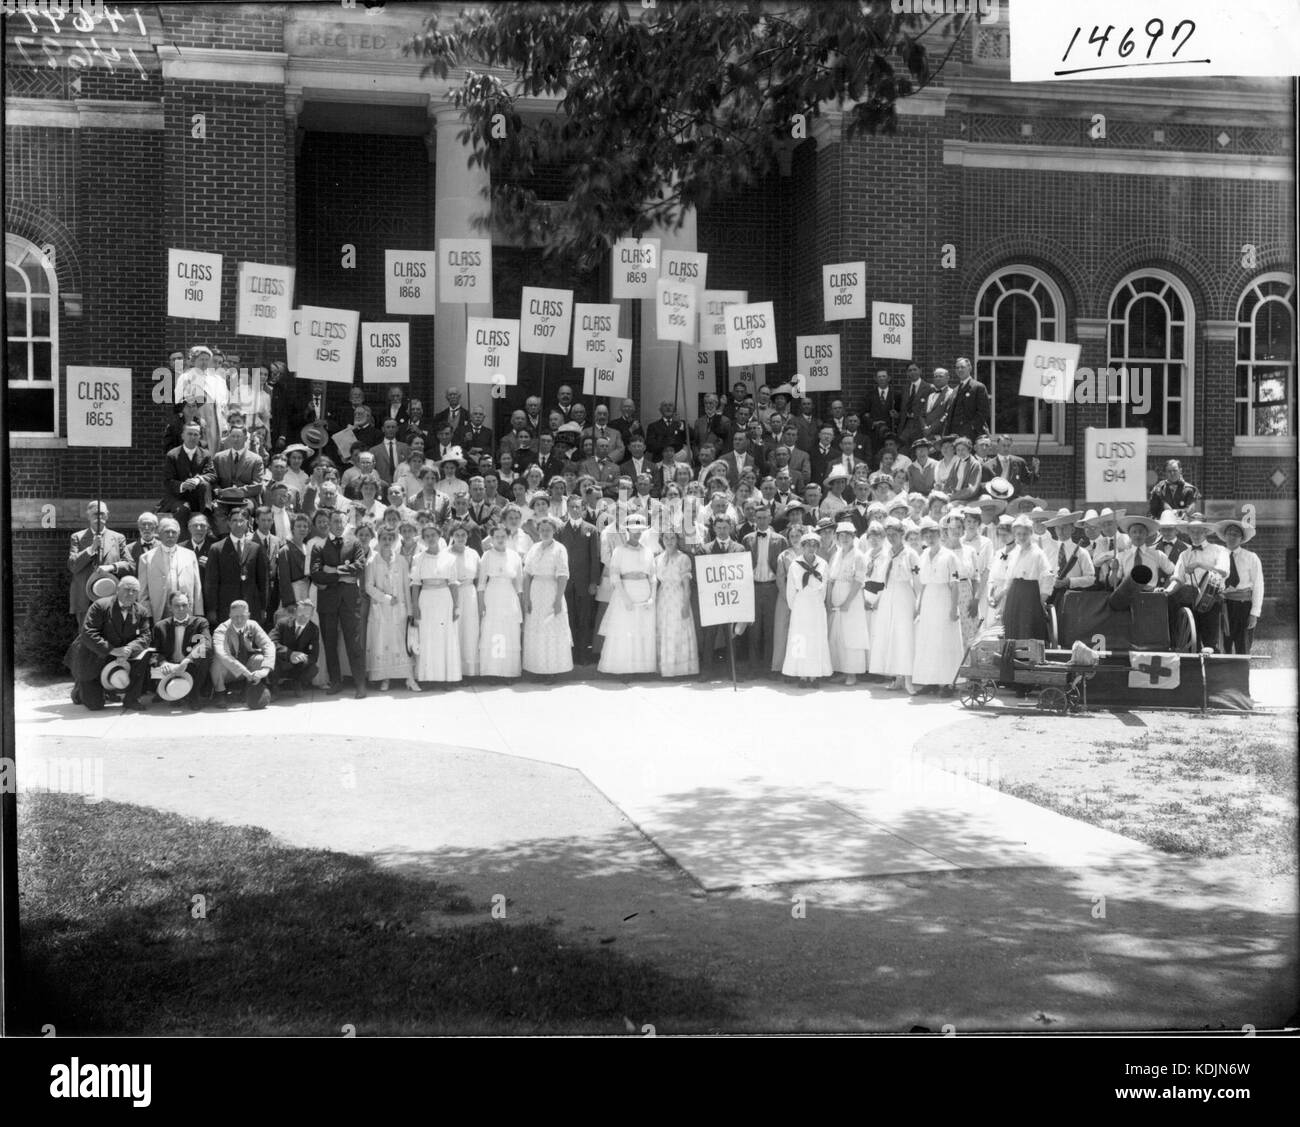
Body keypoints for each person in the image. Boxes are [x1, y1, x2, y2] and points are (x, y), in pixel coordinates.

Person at [67, 575, 154, 710]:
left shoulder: (141, 611)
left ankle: (131, 699)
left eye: (134, 591)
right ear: (118, 589)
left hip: (122, 655)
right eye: (127, 589)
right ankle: (79, 688)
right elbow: (88, 633)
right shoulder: (100, 606)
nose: (130, 594)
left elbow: (145, 636)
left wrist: (129, 649)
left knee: (144, 656)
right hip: (94, 655)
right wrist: (112, 650)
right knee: (94, 705)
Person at [312, 509, 369, 697]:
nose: (337, 524)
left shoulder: (355, 544)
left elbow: (360, 566)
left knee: (354, 642)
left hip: (349, 601)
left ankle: (360, 683)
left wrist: (333, 570)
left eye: (340, 521)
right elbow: (316, 574)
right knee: (329, 642)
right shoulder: (319, 547)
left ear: (345, 523)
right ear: (329, 523)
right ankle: (335, 681)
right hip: (328, 602)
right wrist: (342, 574)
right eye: (334, 521)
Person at [598, 511, 657, 675]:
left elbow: (653, 576)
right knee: (625, 630)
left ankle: (642, 668)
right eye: (633, 530)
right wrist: (625, 598)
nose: (637, 533)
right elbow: (615, 576)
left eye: (640, 530)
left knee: (642, 630)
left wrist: (652, 597)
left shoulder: (648, 551)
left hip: (644, 594)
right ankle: (624, 669)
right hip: (626, 594)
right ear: (628, 531)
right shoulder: (619, 551)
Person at [868, 517, 921, 692]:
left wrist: (918, 604)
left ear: (902, 534)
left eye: (894, 535)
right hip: (888, 596)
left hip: (904, 596)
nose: (891, 538)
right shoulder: (886, 553)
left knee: (904, 636)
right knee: (891, 636)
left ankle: (908, 679)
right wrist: (876, 599)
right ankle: (897, 677)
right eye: (888, 535)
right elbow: (881, 579)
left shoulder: (911, 554)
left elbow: (917, 581)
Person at [364, 527, 420, 692]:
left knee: (401, 643)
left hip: (400, 610)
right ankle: (385, 678)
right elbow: (368, 586)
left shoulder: (401, 561)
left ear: (394, 540)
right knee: (383, 641)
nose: (387, 542)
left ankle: (409, 678)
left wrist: (409, 611)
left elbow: (405, 587)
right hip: (381, 609)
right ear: (379, 540)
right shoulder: (372, 561)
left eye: (390, 539)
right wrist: (386, 598)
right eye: (384, 539)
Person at [912, 517, 963, 693]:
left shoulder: (950, 556)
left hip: (944, 600)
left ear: (940, 534)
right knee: (928, 641)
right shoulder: (924, 555)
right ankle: (930, 681)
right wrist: (919, 607)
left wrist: (954, 608)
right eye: (927, 535)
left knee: (944, 641)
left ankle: (949, 683)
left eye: (933, 534)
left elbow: (955, 584)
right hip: (928, 602)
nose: (930, 538)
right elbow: (923, 584)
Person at [522, 514, 574, 678]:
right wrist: (526, 598)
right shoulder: (533, 548)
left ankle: (552, 671)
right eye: (542, 530)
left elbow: (563, 575)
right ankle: (537, 669)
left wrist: (558, 600)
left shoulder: (559, 549)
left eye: (548, 530)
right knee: (536, 629)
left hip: (552, 591)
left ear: (554, 531)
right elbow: (527, 574)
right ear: (538, 531)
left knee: (552, 629)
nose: (545, 532)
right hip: (535, 592)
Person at [1165, 515, 1228, 651]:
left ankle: (1211, 660)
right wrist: (1166, 591)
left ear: (1206, 532)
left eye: (1200, 531)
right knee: (1189, 641)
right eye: (1192, 531)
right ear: (1188, 532)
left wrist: (1200, 564)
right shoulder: (1184, 555)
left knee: (1210, 644)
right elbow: (1178, 579)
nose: (1196, 535)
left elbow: (1223, 571)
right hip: (1188, 599)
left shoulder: (1219, 550)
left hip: (1211, 600)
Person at [410, 524, 462, 686]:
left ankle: (446, 678)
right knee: (427, 637)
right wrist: (415, 606)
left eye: (434, 534)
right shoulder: (418, 559)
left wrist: (456, 606)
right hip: (425, 599)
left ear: (439, 536)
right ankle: (427, 678)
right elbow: (416, 584)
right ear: (423, 539)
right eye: (427, 536)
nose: (431, 538)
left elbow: (453, 583)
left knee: (444, 637)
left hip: (444, 599)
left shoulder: (450, 558)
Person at [204, 505, 270, 626]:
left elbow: (263, 580)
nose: (238, 524)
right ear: (228, 523)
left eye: (241, 521)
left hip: (250, 606)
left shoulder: (256, 548)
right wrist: (212, 609)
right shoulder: (216, 548)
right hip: (226, 607)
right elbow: (211, 582)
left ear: (247, 523)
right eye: (234, 520)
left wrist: (263, 607)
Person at [781, 529, 833, 685]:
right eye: (808, 545)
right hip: (801, 606)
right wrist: (795, 607)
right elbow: (790, 589)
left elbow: (824, 588)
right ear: (802, 546)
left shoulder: (822, 564)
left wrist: (818, 602)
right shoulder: (795, 565)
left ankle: (814, 675)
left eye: (815, 545)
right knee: (800, 639)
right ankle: (802, 675)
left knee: (815, 638)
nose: (811, 548)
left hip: (816, 605)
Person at [742, 503, 786, 678]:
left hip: (772, 587)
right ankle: (753, 668)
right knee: (753, 630)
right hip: (753, 587)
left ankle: (769, 668)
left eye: (764, 517)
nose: (761, 521)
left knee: (770, 629)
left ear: (770, 518)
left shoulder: (780, 540)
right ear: (754, 519)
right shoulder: (747, 539)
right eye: (758, 518)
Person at [68, 501, 130, 621]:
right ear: (88, 516)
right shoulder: (77, 537)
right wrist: (91, 549)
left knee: (111, 635)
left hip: (110, 595)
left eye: (102, 513)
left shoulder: (118, 538)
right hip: (84, 598)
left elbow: (129, 564)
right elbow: (73, 566)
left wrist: (112, 567)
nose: (99, 517)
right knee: (86, 636)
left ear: (107, 515)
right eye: (95, 514)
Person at [477, 524, 525, 678]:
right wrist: (481, 604)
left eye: (503, 536)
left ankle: (508, 672)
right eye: (496, 537)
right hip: (492, 597)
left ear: (508, 537)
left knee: (508, 633)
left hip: (509, 597)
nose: (499, 539)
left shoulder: (514, 556)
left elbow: (519, 584)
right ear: (491, 538)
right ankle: (493, 672)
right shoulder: (487, 556)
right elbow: (481, 583)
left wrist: (521, 604)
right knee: (494, 633)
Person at [150, 590, 211, 709]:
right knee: (151, 662)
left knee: (204, 657)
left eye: (184, 605)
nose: (181, 608)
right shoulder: (160, 626)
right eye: (177, 606)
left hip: (190, 665)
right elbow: (155, 651)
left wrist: (188, 660)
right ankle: (171, 692)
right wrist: (163, 662)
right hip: (169, 666)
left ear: (190, 606)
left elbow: (206, 644)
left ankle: (194, 695)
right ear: (170, 607)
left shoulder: (200, 623)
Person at [210, 599, 276, 710]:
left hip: (246, 667)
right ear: (230, 615)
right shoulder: (221, 630)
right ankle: (220, 693)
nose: (239, 620)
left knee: (260, 659)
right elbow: (222, 654)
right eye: (235, 616)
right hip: (228, 671)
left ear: (248, 615)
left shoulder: (253, 625)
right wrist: (245, 671)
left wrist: (265, 670)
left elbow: (268, 645)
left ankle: (247, 690)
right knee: (217, 661)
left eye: (243, 616)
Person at [826, 522, 869, 686]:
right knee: (838, 636)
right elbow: (830, 579)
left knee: (851, 636)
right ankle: (842, 670)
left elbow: (859, 582)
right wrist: (829, 601)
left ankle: (852, 674)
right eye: (841, 535)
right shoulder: (836, 555)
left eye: (848, 535)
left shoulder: (859, 556)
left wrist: (847, 602)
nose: (844, 538)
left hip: (852, 600)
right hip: (836, 598)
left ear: (853, 537)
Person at [997, 515, 1051, 643]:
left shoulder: (1038, 553)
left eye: (1025, 534)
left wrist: (1042, 599)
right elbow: (1009, 577)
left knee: (1027, 629)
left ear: (1031, 533)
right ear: (1015, 534)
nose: (1021, 537)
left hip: (1030, 594)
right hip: (1014, 595)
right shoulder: (1015, 553)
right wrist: (1003, 594)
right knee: (1012, 627)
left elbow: (1048, 576)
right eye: (1018, 534)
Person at [652, 528, 698, 678]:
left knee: (677, 630)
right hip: (662, 598)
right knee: (664, 630)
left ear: (677, 540)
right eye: (666, 538)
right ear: (662, 540)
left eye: (673, 538)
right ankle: (665, 668)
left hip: (678, 597)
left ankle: (680, 669)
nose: (669, 541)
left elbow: (687, 585)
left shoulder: (683, 558)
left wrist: (685, 604)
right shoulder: (658, 559)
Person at [140, 516, 204, 622]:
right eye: (166, 532)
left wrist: (198, 612)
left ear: (178, 534)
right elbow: (143, 591)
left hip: (186, 609)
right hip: (160, 611)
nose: (170, 535)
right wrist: (147, 615)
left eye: (173, 532)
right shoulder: (146, 558)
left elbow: (197, 586)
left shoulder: (190, 554)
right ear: (159, 534)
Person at [1217, 519, 1262, 655]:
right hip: (1223, 605)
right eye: (1229, 533)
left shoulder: (1251, 557)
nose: (1232, 537)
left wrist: (1254, 613)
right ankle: (1224, 675)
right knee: (1223, 644)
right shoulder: (1218, 556)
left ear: (1242, 538)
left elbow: (1259, 586)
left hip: (1243, 606)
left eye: (1236, 534)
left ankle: (1242, 675)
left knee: (1243, 644)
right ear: (1224, 536)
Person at [162, 421, 215, 531]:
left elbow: (212, 475)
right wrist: (183, 485)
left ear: (200, 436)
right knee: (183, 510)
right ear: (183, 436)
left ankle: (207, 532)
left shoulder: (206, 455)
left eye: (196, 434)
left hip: (199, 498)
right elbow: (167, 480)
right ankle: (182, 542)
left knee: (205, 484)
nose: (192, 437)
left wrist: (197, 480)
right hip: (178, 498)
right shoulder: (172, 455)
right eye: (189, 434)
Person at [446, 522, 481, 678]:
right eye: (457, 535)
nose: (460, 538)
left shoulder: (473, 553)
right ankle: (454, 672)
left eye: (463, 535)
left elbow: (479, 577)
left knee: (469, 631)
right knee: (454, 631)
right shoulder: (445, 554)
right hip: (451, 595)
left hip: (469, 594)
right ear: (452, 536)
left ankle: (468, 672)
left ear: (468, 537)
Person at [1042, 509, 1093, 609]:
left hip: (1073, 599)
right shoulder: (1046, 550)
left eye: (1064, 527)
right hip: (1049, 597)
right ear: (1055, 529)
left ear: (1072, 529)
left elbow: (1091, 579)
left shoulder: (1081, 552)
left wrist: (1069, 581)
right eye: (1058, 527)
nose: (1061, 531)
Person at [270, 598, 321, 697]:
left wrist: (302, 658)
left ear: (311, 615)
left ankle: (297, 683)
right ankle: (274, 686)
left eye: (307, 615)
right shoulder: (282, 623)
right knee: (270, 660)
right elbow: (270, 642)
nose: (303, 618)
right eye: (300, 614)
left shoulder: (313, 629)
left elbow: (314, 656)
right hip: (281, 661)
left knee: (313, 669)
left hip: (298, 665)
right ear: (295, 612)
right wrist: (289, 654)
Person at [946, 357, 990, 442]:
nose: (959, 370)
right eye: (957, 368)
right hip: (954, 435)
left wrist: (971, 427)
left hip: (972, 435)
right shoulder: (955, 390)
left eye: (962, 367)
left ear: (969, 368)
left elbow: (984, 411)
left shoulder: (978, 387)